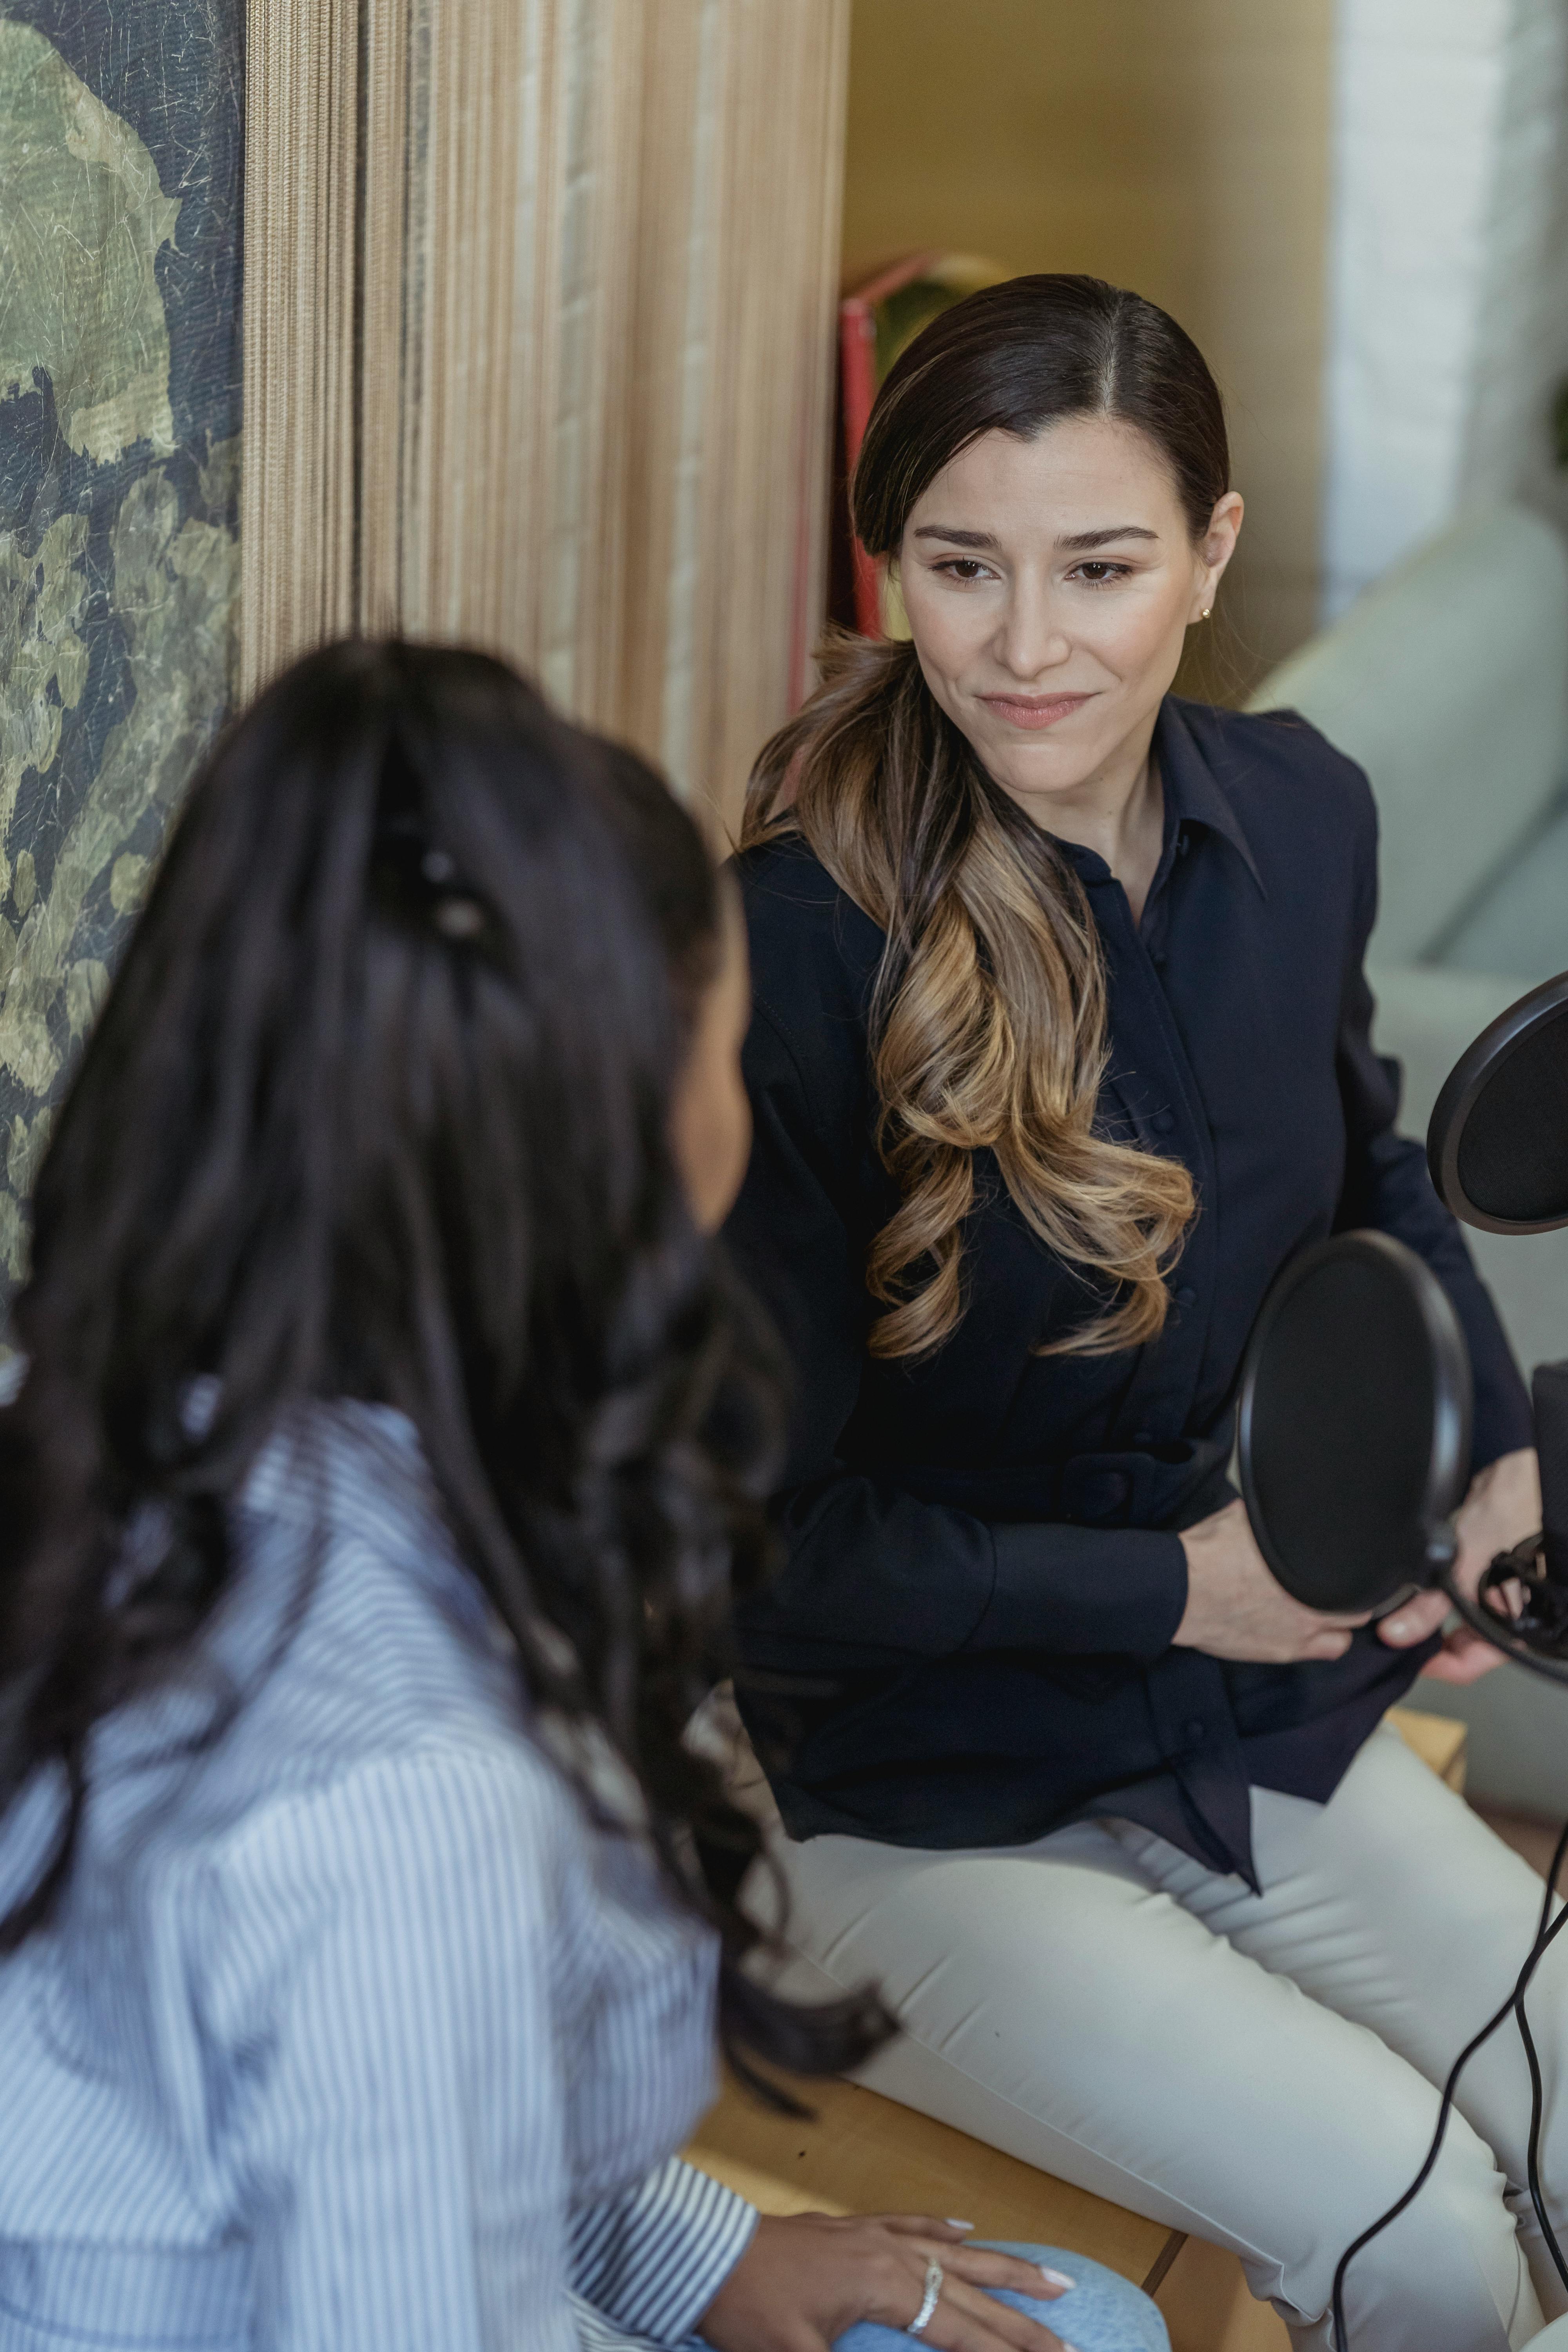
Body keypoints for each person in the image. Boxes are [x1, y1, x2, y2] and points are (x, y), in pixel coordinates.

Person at [0, 641, 1170, 2352]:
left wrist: (695, 2254)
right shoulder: (409, 1808)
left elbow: (362, 2088)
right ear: (614, 1141)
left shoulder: (86, 1412)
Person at [720, 274, 1568, 2352]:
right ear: (890, 563)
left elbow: (1369, 1163)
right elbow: (766, 1566)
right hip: (903, 1795)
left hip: (1251, 1712)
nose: (1025, 647)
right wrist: (1171, 1594)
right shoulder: (791, 959)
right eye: (959, 568)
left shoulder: (1300, 815)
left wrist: (1490, 1452)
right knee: (1434, 2243)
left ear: (1212, 551)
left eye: (1098, 568)